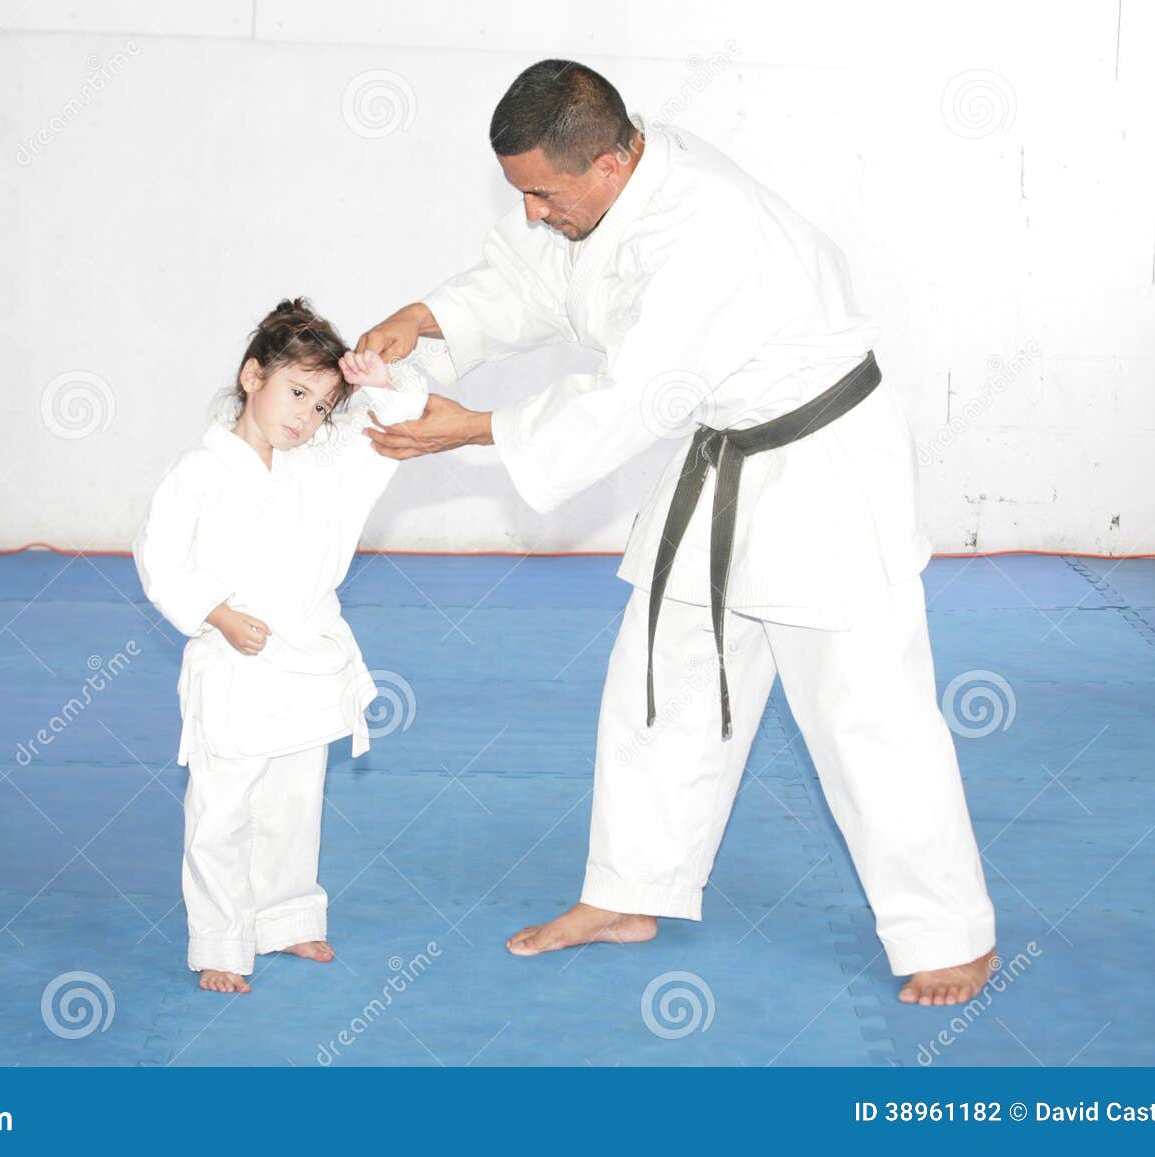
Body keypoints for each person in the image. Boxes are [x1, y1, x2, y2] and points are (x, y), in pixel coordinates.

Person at [356, 61, 999, 1006]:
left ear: (610, 163)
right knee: (663, 675)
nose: (531, 211)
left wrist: (476, 428)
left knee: (868, 713)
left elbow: (632, 397)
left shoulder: (707, 228)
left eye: (543, 191)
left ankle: (951, 934)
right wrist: (432, 316)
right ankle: (630, 890)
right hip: (729, 454)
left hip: (822, 468)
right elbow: (532, 279)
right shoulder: (608, 193)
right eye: (521, 191)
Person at [134, 298, 428, 994]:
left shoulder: (317, 466)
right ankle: (220, 939)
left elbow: (396, 421)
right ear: (251, 376)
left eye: (324, 405)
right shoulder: (199, 472)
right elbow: (160, 555)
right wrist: (218, 613)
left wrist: (378, 379)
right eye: (296, 392)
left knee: (294, 800)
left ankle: (288, 916)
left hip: (303, 661)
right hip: (235, 663)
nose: (306, 416)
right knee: (223, 808)